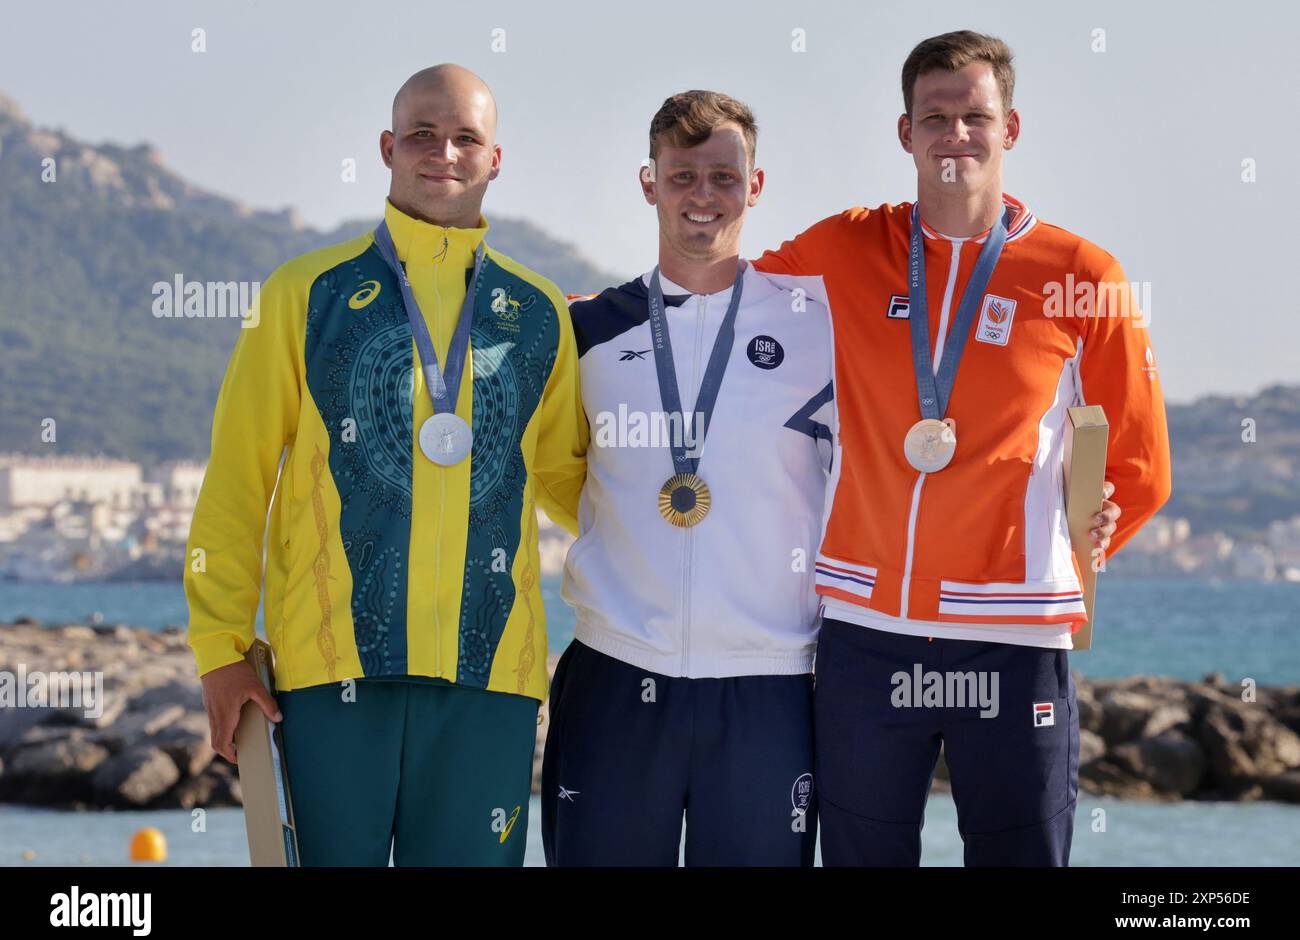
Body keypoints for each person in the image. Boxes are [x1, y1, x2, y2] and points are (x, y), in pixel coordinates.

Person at [752, 30, 1169, 866]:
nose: (955, 135)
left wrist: (1077, 551)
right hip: (866, 632)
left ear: (1009, 129)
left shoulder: (1082, 273)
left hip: (1013, 640)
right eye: (934, 117)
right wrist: (576, 315)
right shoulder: (844, 248)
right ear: (904, 132)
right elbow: (716, 301)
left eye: (975, 116)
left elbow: (1142, 466)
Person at [184, 64, 587, 866]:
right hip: (330, 677)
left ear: (496, 158)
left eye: (466, 137)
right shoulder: (304, 294)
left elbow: (578, 490)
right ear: (387, 147)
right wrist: (222, 649)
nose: (444, 151)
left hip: (489, 681)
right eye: (422, 134)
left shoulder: (539, 312)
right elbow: (238, 481)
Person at [541, 90, 834, 865]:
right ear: (650, 184)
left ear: (756, 185)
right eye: (682, 176)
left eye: (723, 177)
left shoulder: (818, 325)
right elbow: (551, 470)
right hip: (615, 670)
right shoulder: (587, 328)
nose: (703, 197)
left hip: (769, 681)